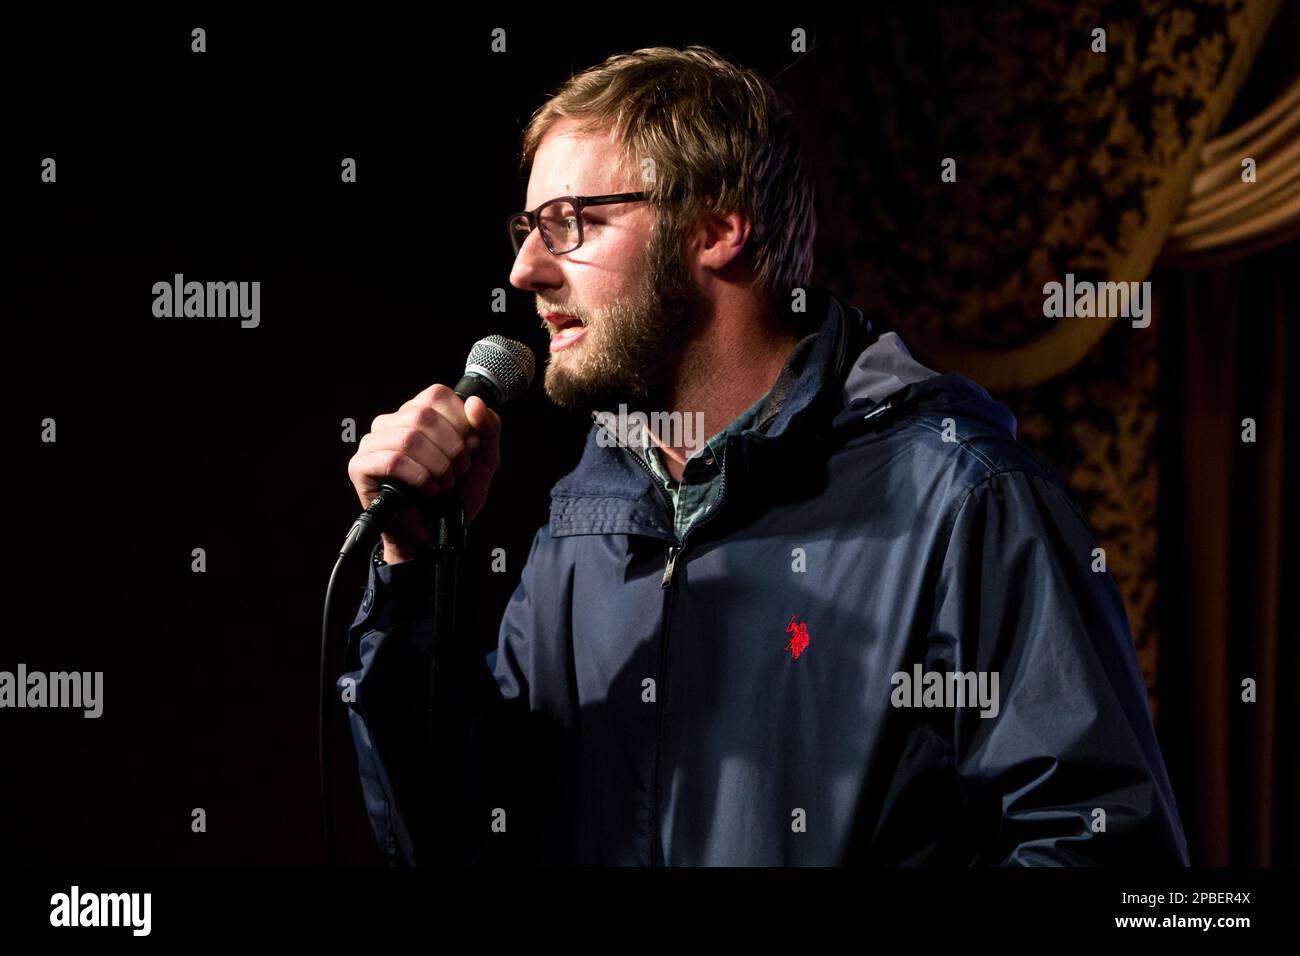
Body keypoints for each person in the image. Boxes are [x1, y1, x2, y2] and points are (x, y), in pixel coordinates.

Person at [339, 45, 1189, 866]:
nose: (525, 269)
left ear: (718, 228)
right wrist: (413, 569)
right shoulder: (586, 517)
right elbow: (463, 836)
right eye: (528, 227)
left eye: (572, 223)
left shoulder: (961, 498)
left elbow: (1101, 844)